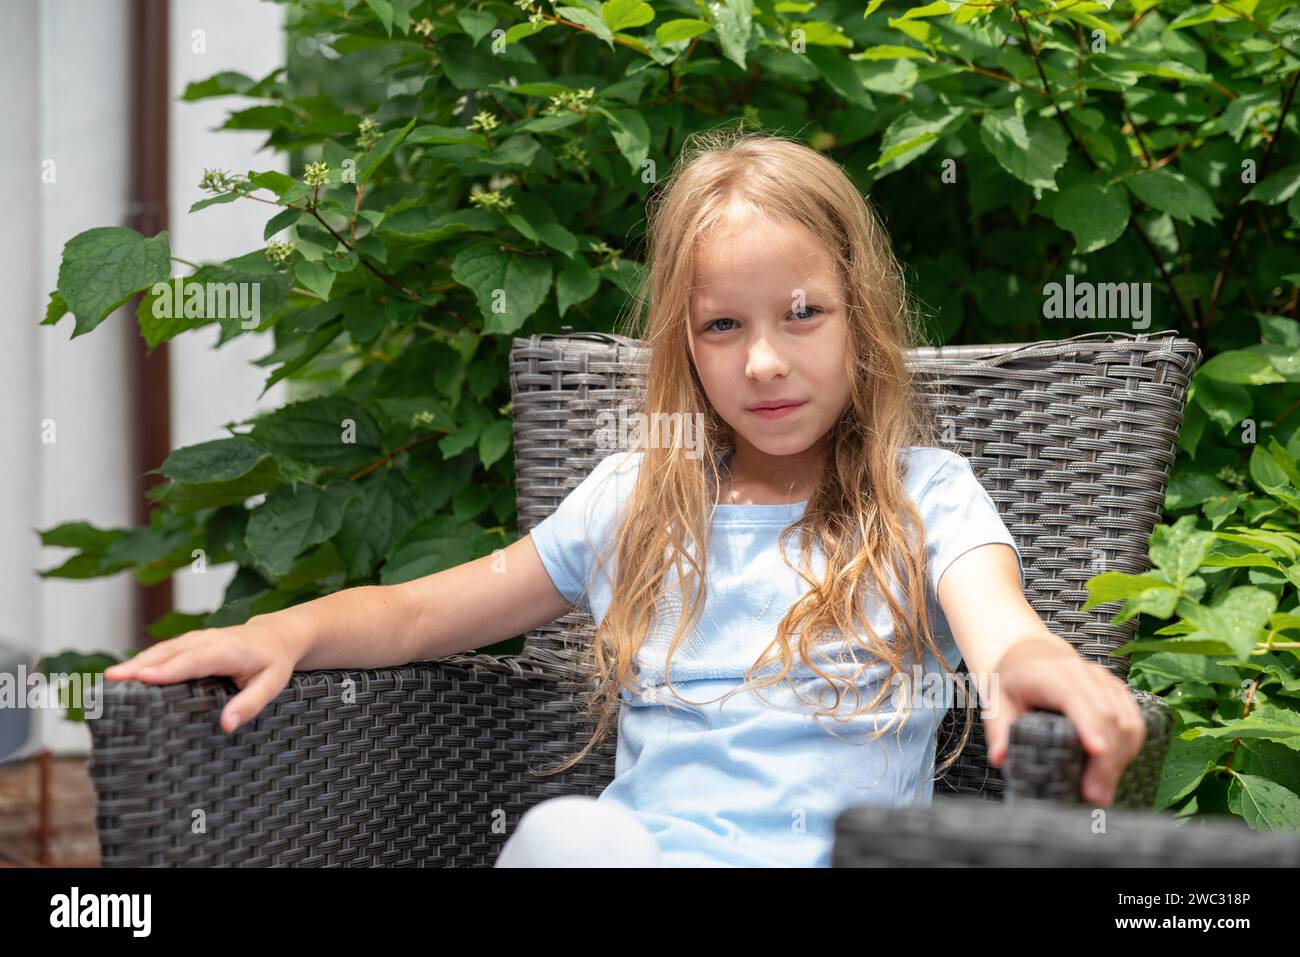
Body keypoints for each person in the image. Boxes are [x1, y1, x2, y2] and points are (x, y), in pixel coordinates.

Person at [105, 128, 1146, 868]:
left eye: (801, 314)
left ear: (861, 318)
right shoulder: (640, 501)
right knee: (570, 835)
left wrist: (1042, 664)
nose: (766, 363)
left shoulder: (925, 498)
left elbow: (1002, 629)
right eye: (723, 328)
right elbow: (424, 611)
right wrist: (284, 631)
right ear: (684, 347)